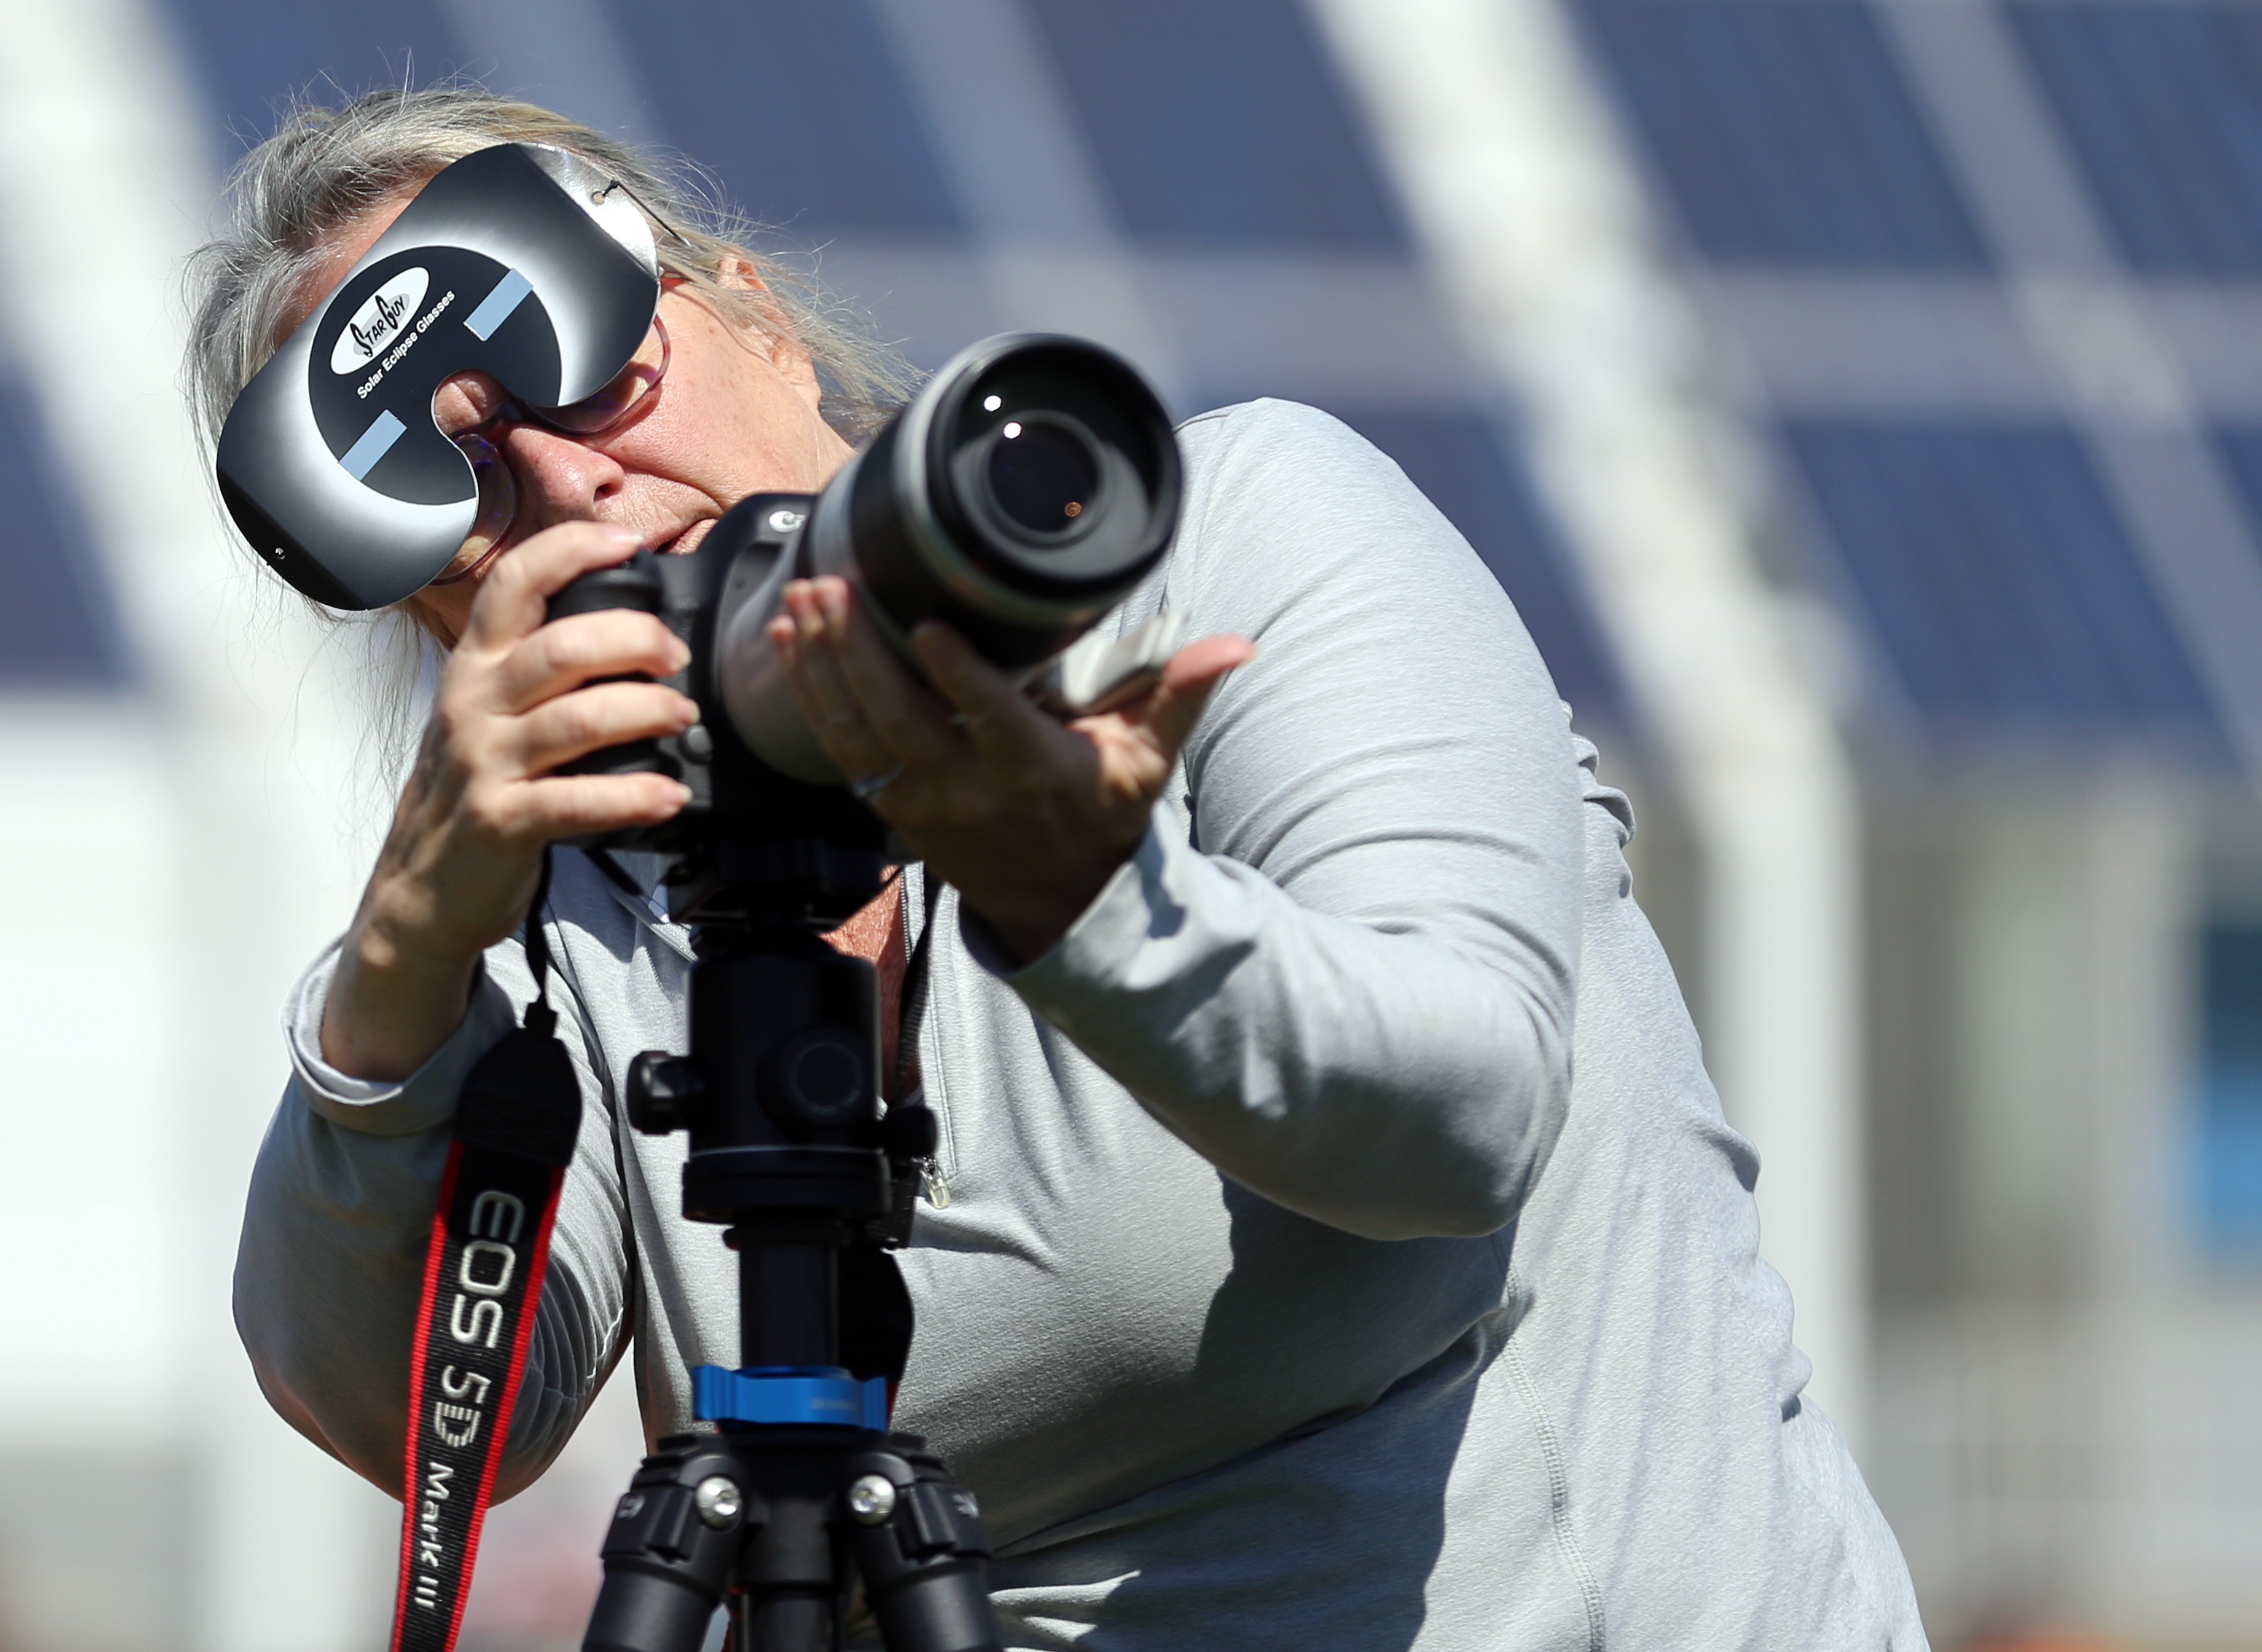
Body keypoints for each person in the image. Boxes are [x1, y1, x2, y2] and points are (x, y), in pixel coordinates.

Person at [192, 86, 1928, 1648]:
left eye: (609, 369)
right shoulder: (559, 919)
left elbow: (1455, 1120)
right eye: (462, 487)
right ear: (433, 605)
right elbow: (426, 1429)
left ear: (764, 322)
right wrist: (407, 942)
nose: (572, 474)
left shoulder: (1227, 550)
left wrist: (1088, 902)